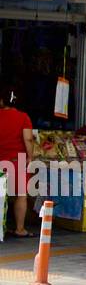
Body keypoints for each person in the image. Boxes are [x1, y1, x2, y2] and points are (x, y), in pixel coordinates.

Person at [0, 85, 36, 239]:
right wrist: (30, 156)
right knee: (21, 195)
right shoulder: (23, 117)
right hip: (17, 161)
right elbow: (28, 138)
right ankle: (20, 229)